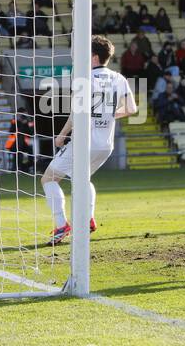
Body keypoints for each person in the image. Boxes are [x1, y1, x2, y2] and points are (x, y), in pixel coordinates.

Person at [43, 35, 138, 244]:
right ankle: (88, 219)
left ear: (94, 57)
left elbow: (77, 112)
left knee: (49, 179)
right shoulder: (119, 78)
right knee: (82, 179)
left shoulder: (83, 77)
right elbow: (132, 109)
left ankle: (61, 225)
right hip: (105, 145)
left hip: (83, 142)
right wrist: (108, 114)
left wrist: (62, 134)